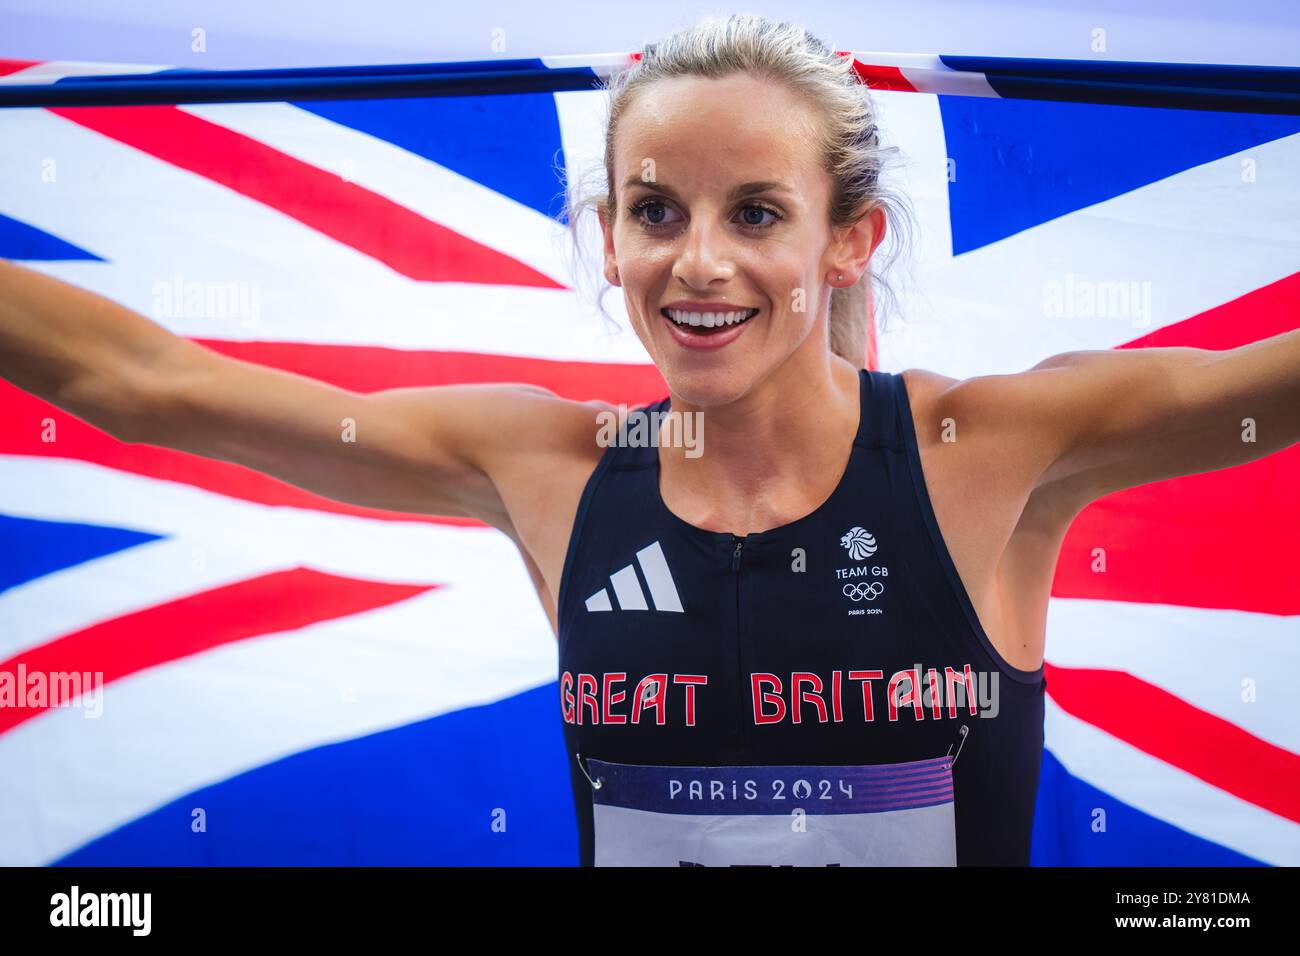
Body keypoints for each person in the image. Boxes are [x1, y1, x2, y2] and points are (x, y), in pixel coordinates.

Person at [1, 14, 1296, 866]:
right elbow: (144, 381)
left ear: (849, 237)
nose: (699, 262)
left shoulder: (995, 448)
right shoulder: (545, 469)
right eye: (658, 210)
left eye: (756, 211)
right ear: (610, 237)